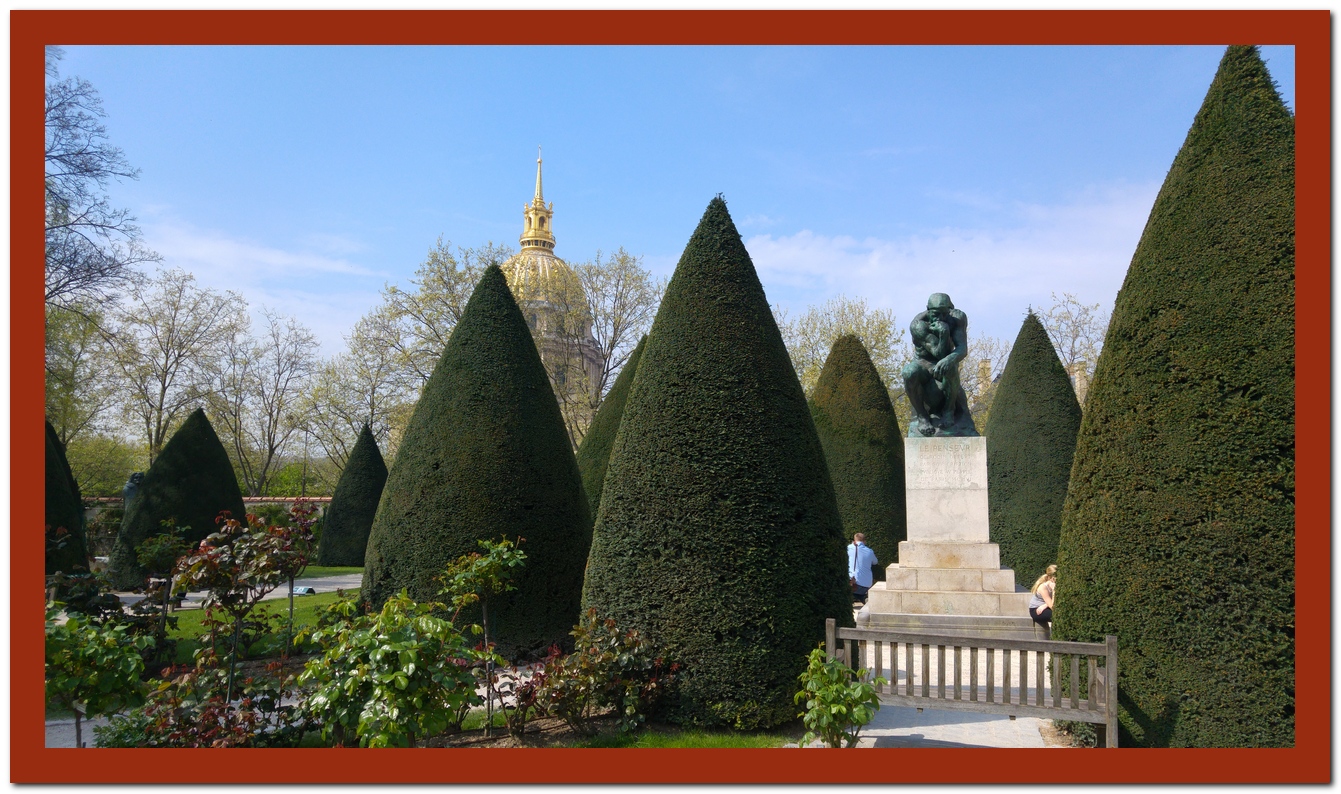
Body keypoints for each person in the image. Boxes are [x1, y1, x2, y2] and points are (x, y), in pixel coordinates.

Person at [847, 533, 880, 605]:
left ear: (854, 540)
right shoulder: (869, 551)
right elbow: (875, 562)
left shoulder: (849, 548)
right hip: (866, 585)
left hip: (853, 585)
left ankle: (854, 598)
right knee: (858, 593)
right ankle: (862, 598)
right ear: (864, 541)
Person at [1029, 564, 1057, 631]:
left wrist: (1045, 605)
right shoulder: (1043, 587)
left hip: (1045, 607)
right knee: (1057, 616)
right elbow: (1053, 606)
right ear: (1052, 578)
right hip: (1036, 610)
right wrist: (1054, 591)